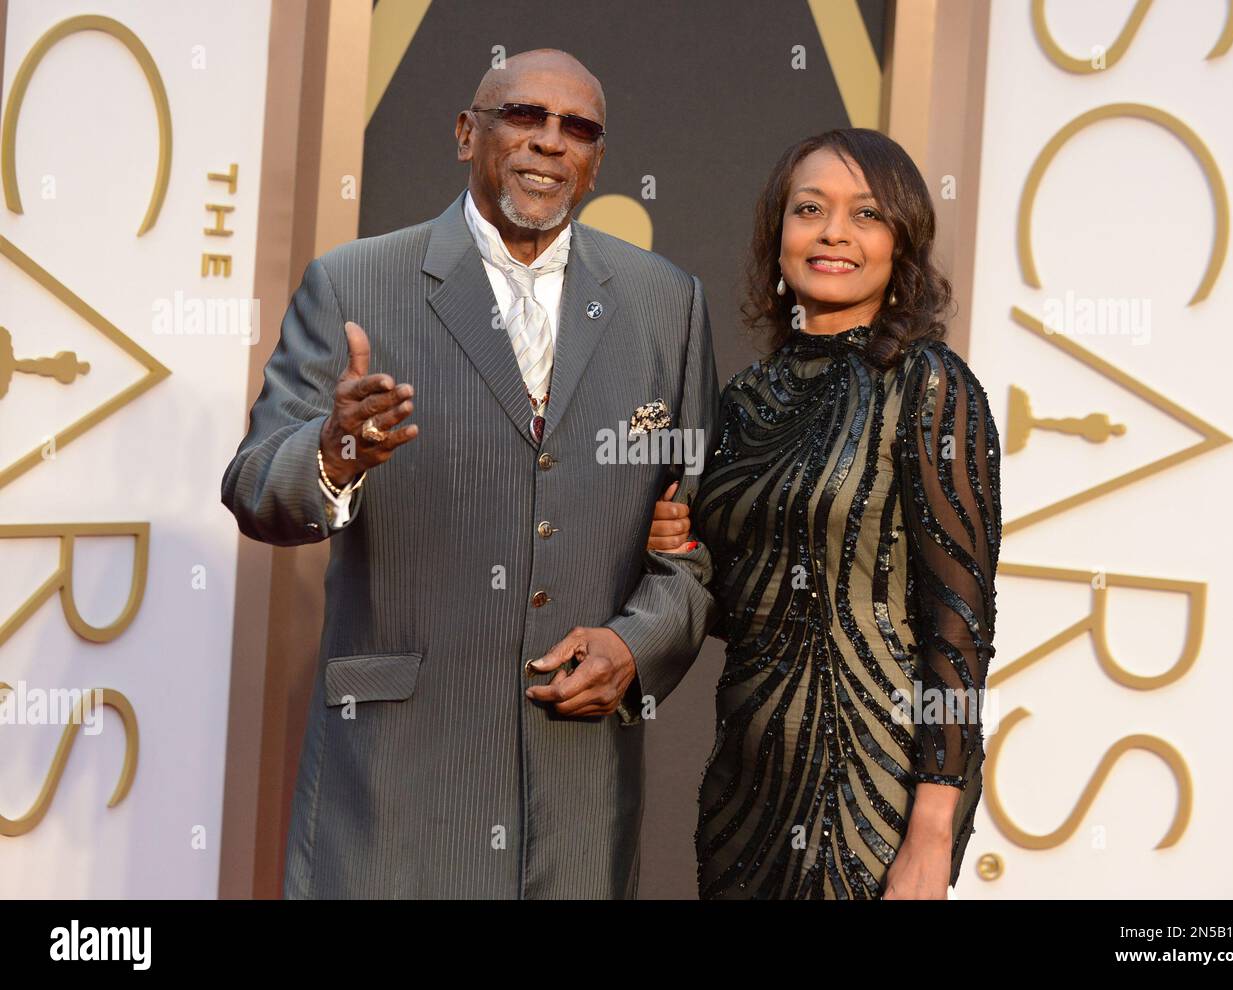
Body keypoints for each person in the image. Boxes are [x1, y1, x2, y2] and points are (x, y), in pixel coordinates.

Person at [222, 49, 719, 898]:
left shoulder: (664, 302)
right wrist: (337, 451)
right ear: (466, 134)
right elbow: (257, 485)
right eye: (524, 117)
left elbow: (696, 543)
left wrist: (635, 646)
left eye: (578, 129)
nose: (551, 143)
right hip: (395, 783)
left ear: (598, 159)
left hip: (577, 787)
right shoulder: (356, 281)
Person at [648, 128, 1003, 899]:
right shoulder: (743, 401)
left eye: (866, 214)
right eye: (811, 209)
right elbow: (745, 603)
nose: (834, 232)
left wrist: (932, 829)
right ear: (778, 236)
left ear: (900, 244)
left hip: (875, 783)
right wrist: (684, 551)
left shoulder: (930, 386)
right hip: (747, 783)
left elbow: (960, 622)